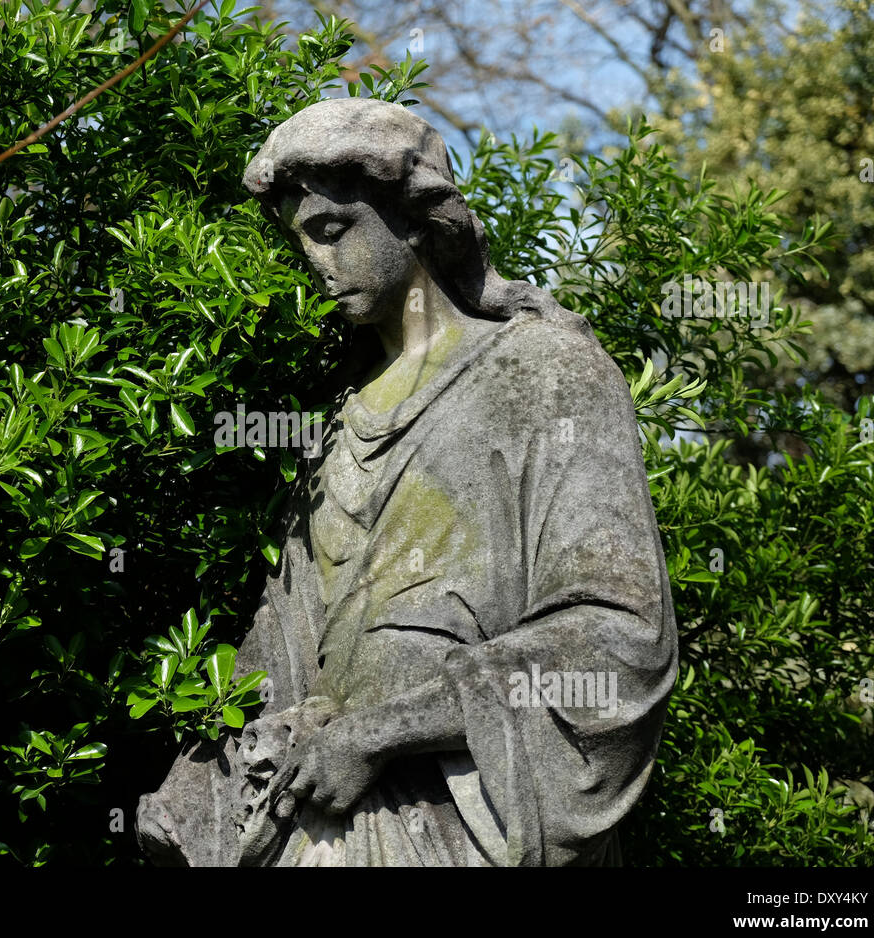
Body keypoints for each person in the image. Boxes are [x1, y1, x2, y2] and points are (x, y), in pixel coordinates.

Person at [136, 98, 678, 866]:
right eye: (303, 245)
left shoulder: (543, 373)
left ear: (418, 219)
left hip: (463, 821)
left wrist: (383, 731)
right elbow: (281, 650)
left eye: (333, 230)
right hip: (314, 830)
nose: (319, 264)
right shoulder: (333, 421)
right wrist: (203, 786)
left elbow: (618, 638)